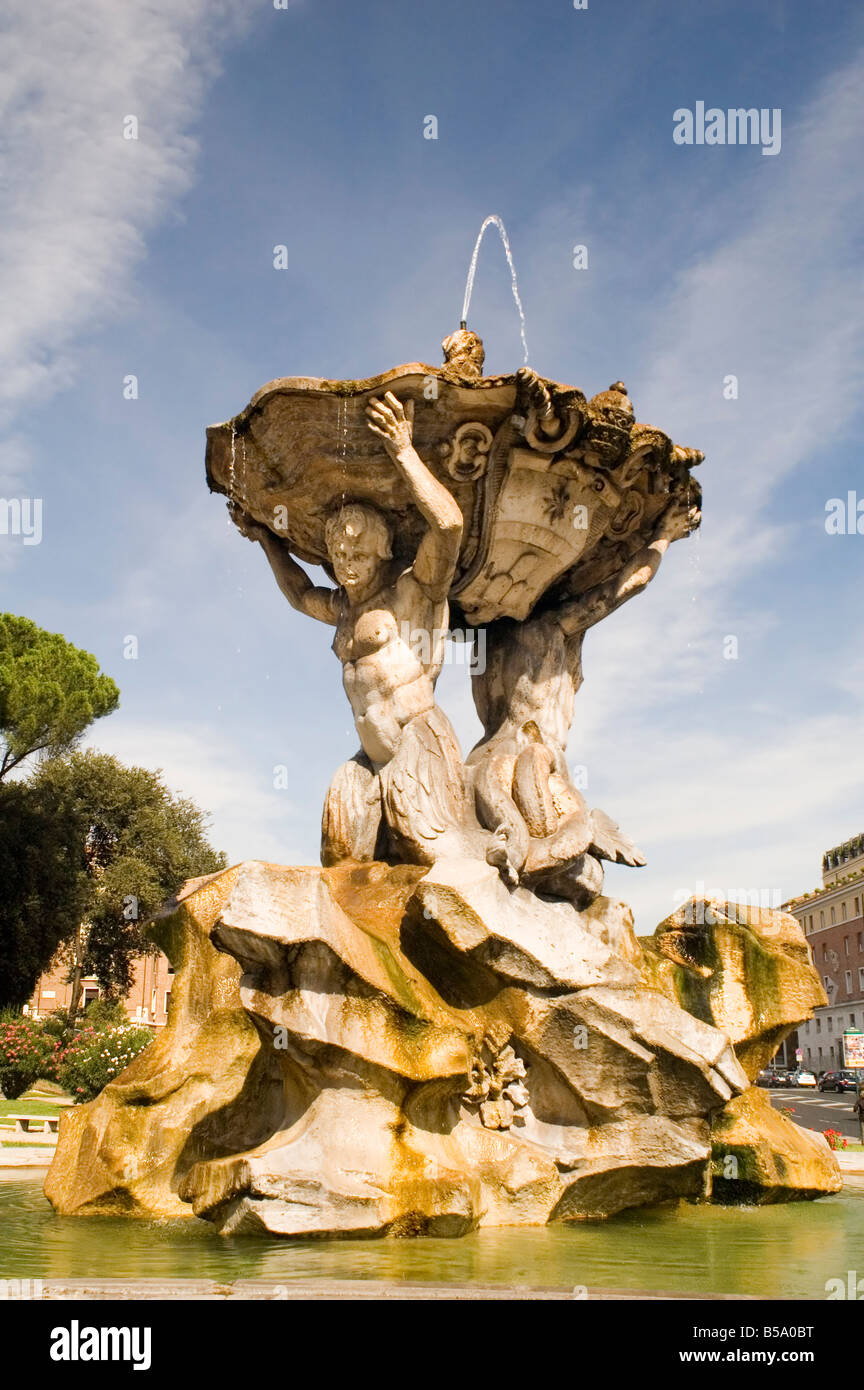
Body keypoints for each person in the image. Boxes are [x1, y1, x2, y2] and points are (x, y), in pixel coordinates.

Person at [233, 391, 495, 868]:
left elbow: (451, 526)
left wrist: (403, 450)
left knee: (436, 860)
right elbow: (297, 594)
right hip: (367, 756)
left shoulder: (414, 591)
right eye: (340, 556)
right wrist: (267, 539)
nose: (347, 566)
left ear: (382, 552)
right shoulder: (342, 610)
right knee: (339, 854)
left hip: (417, 744)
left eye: (358, 555)